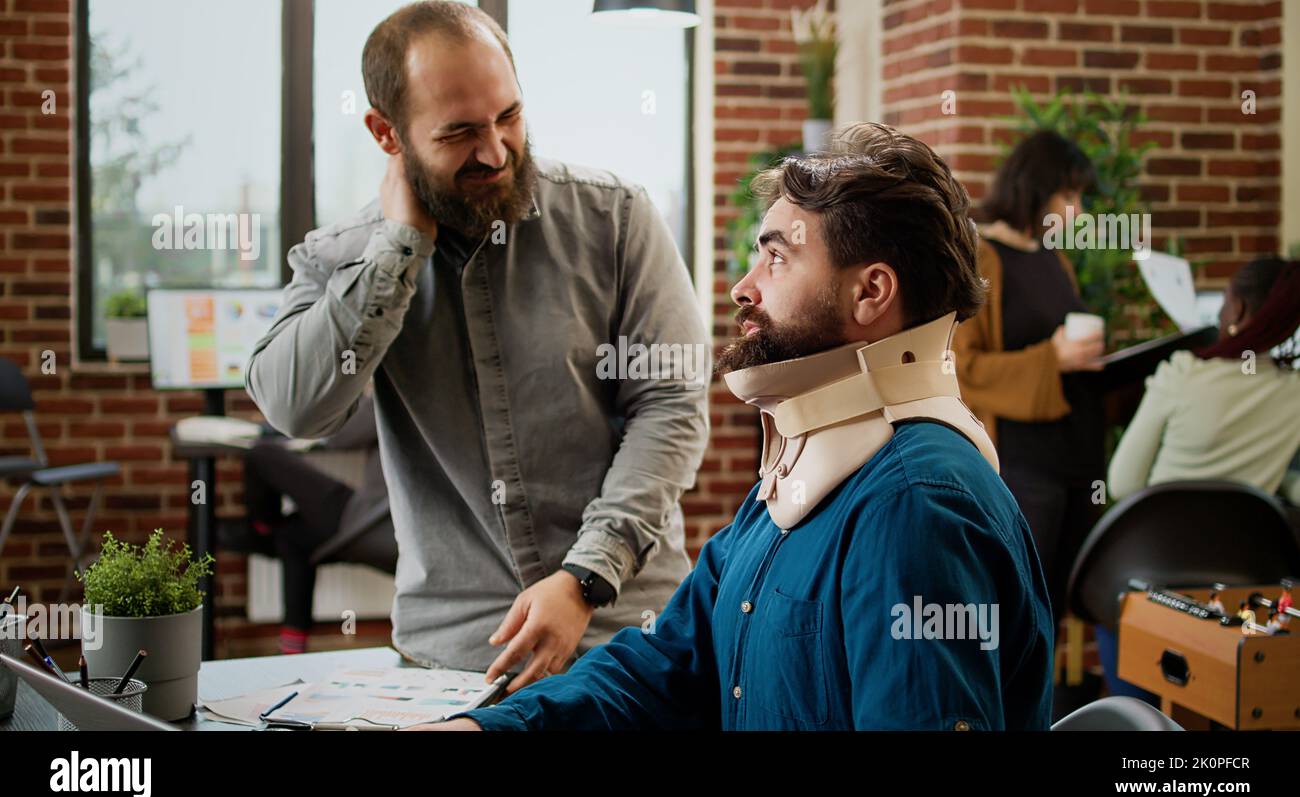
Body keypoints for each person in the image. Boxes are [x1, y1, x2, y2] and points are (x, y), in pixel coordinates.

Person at [413, 124, 1054, 731]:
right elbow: (664, 666)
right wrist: (483, 726)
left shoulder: (917, 507)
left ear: (871, 292)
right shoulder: (800, 476)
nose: (742, 289)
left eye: (776, 261)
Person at [245, 1, 709, 689]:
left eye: (509, 116)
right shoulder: (344, 257)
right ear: (387, 133)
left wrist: (584, 578)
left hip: (627, 636)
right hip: (453, 661)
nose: (494, 150)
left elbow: (671, 406)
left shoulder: (618, 219)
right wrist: (399, 251)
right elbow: (292, 406)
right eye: (459, 132)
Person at [951, 130, 1104, 634]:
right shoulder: (981, 256)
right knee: (1018, 608)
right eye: (1068, 196)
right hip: (1022, 463)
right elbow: (962, 369)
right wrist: (1051, 359)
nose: (1076, 212)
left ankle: (1056, 713)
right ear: (1033, 191)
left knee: (1058, 608)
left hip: (1074, 454)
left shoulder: (1053, 259)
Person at [1108, 257, 1300, 503]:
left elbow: (1122, 484)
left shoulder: (1182, 373)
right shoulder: (1293, 392)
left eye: (1224, 301)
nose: (1219, 313)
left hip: (1162, 537)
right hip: (1246, 541)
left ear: (1237, 310)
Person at [230, 394, 396, 654]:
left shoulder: (393, 396)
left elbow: (340, 437)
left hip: (366, 522)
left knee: (261, 454)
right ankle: (292, 646)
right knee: (295, 537)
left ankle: (262, 529)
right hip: (400, 544)